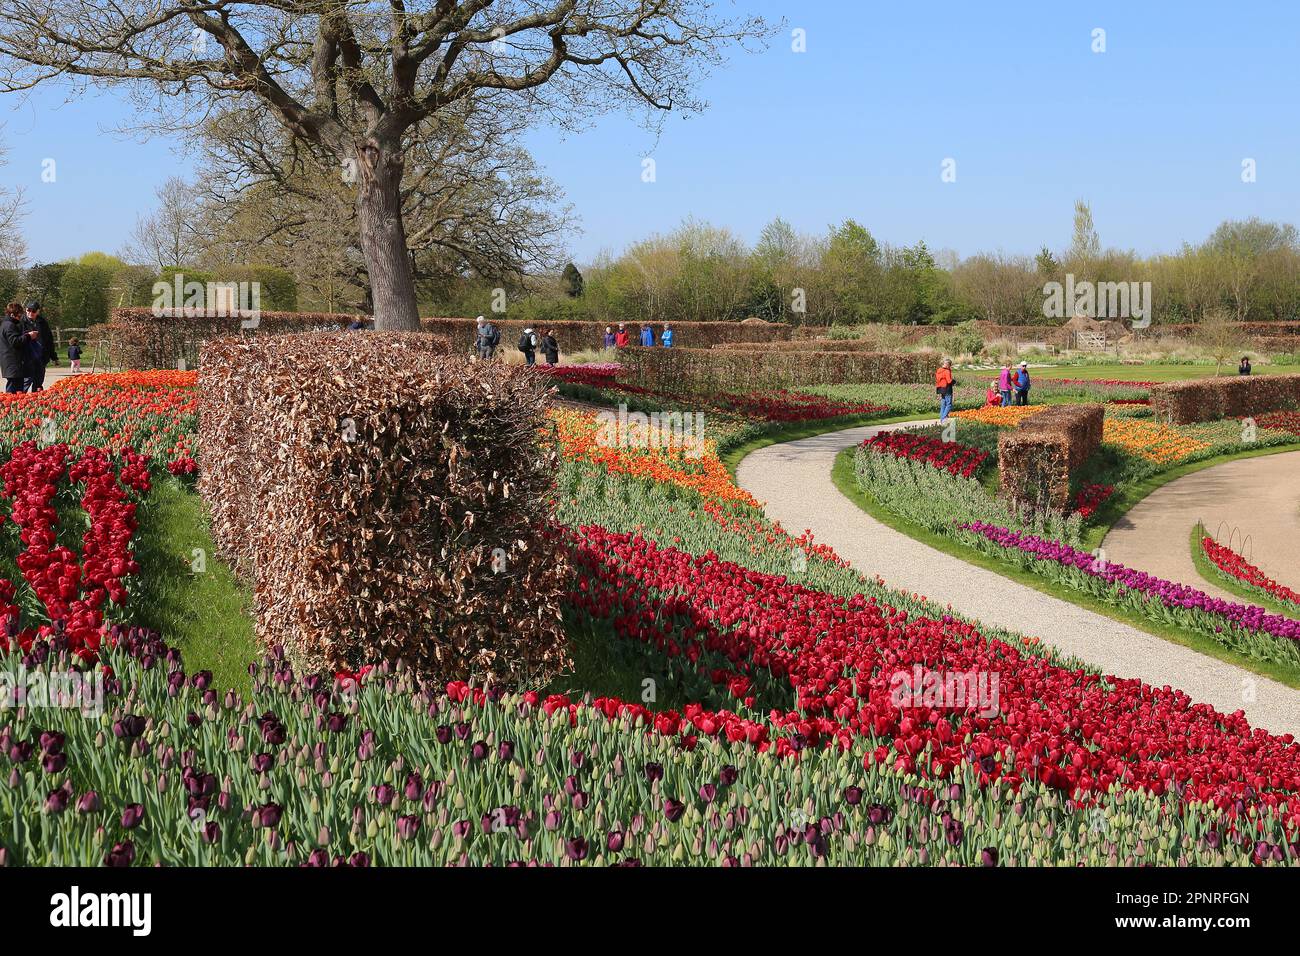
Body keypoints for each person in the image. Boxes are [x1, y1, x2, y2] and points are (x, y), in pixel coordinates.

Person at [1, 302, 34, 394]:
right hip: (13, 363)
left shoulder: (6, 324)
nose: (20, 317)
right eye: (19, 315)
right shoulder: (9, 325)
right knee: (14, 390)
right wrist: (28, 336)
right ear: (12, 314)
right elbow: (15, 341)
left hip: (11, 363)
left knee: (16, 388)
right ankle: (8, 407)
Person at [22, 301, 55, 392]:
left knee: (38, 383)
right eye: (28, 310)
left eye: (33, 311)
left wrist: (53, 356)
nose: (30, 313)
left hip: (41, 356)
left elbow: (49, 340)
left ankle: (36, 402)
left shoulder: (42, 322)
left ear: (38, 311)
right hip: (27, 357)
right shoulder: (21, 322)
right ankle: (19, 402)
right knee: (26, 381)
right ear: (26, 310)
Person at [935, 358, 955, 424]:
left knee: (943, 404)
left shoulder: (939, 370)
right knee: (949, 404)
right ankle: (943, 418)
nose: (950, 367)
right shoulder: (947, 371)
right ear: (948, 365)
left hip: (941, 389)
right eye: (950, 365)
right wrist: (954, 381)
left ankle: (942, 419)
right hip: (947, 389)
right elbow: (949, 381)